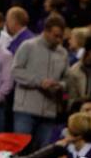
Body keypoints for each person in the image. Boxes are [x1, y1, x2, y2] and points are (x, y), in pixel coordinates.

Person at [11, 13, 69, 146]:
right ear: (46, 31)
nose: (59, 40)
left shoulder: (63, 53)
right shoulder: (28, 46)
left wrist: (60, 85)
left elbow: (67, 79)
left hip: (49, 111)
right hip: (25, 110)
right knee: (20, 150)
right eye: (56, 36)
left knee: (43, 153)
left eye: (61, 36)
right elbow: (15, 71)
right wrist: (39, 82)